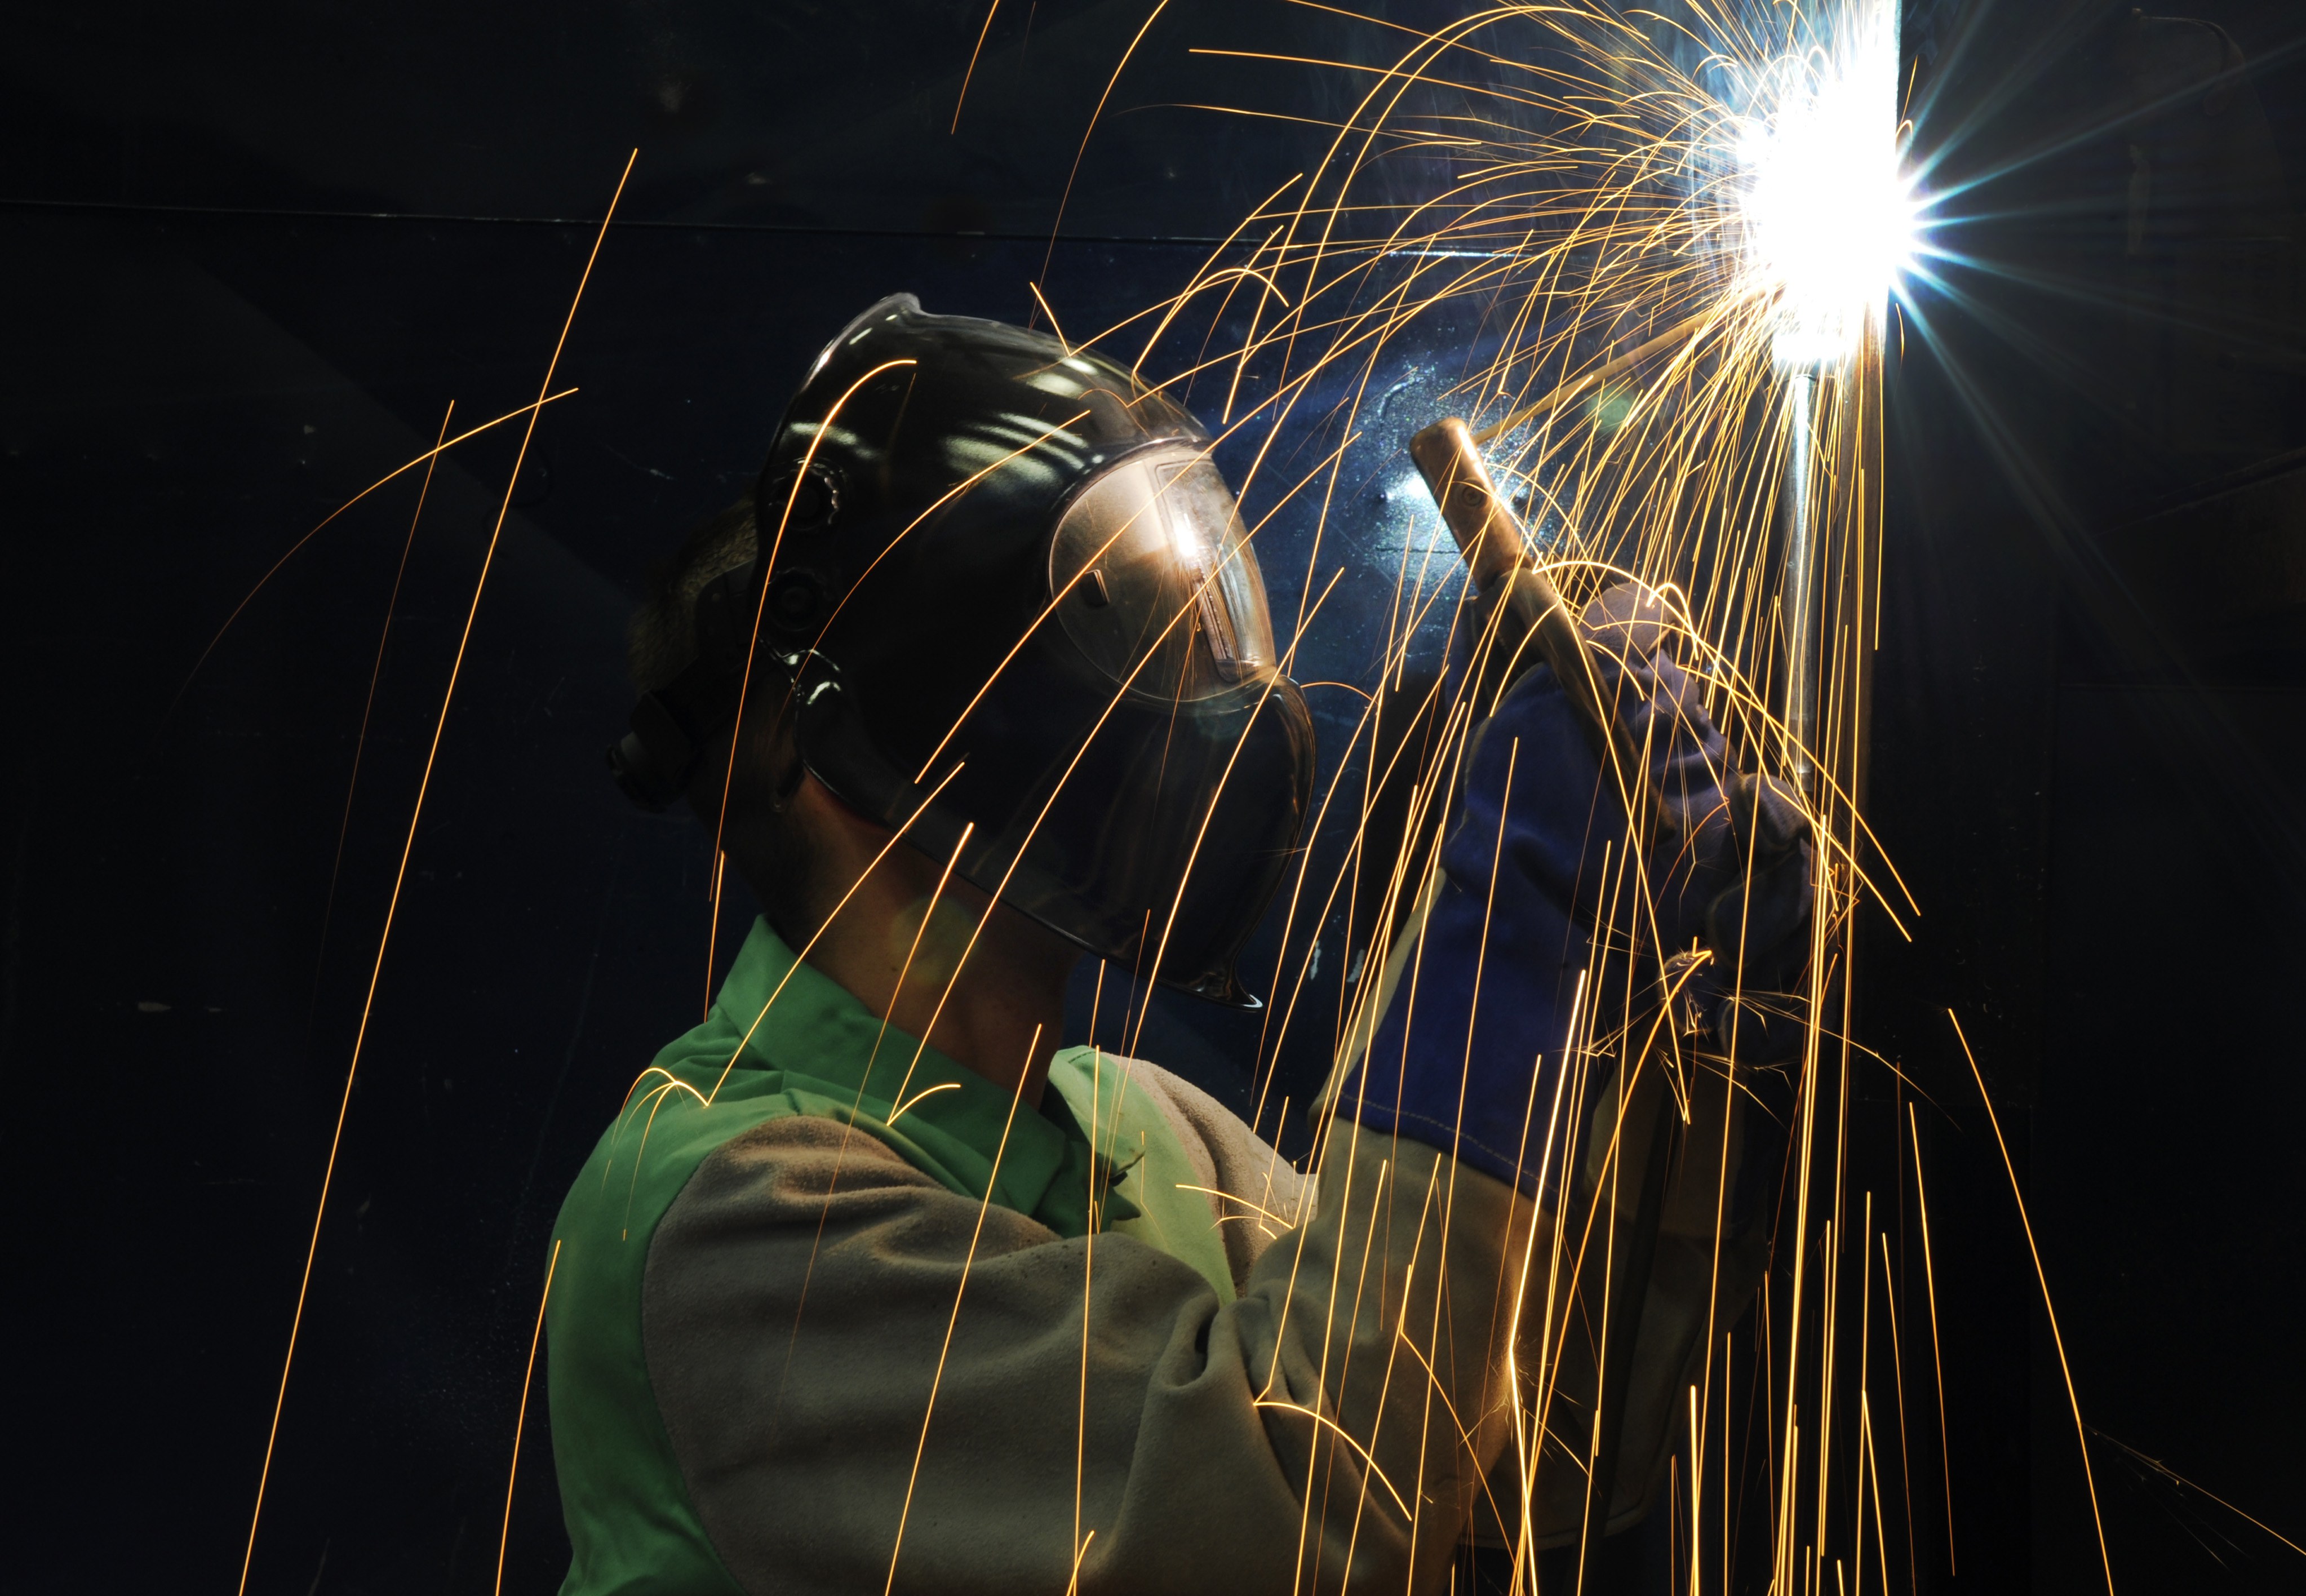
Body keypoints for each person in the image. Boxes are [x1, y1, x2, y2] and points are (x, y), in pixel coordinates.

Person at [544, 294, 1809, 1595]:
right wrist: (1508, 917)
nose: (1205, 683)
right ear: (841, 733)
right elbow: (1302, 1510)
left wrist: (1672, 1030)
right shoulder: (729, 1221)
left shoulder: (1149, 1132)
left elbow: (1524, 1439)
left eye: (1194, 629)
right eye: (1129, 629)